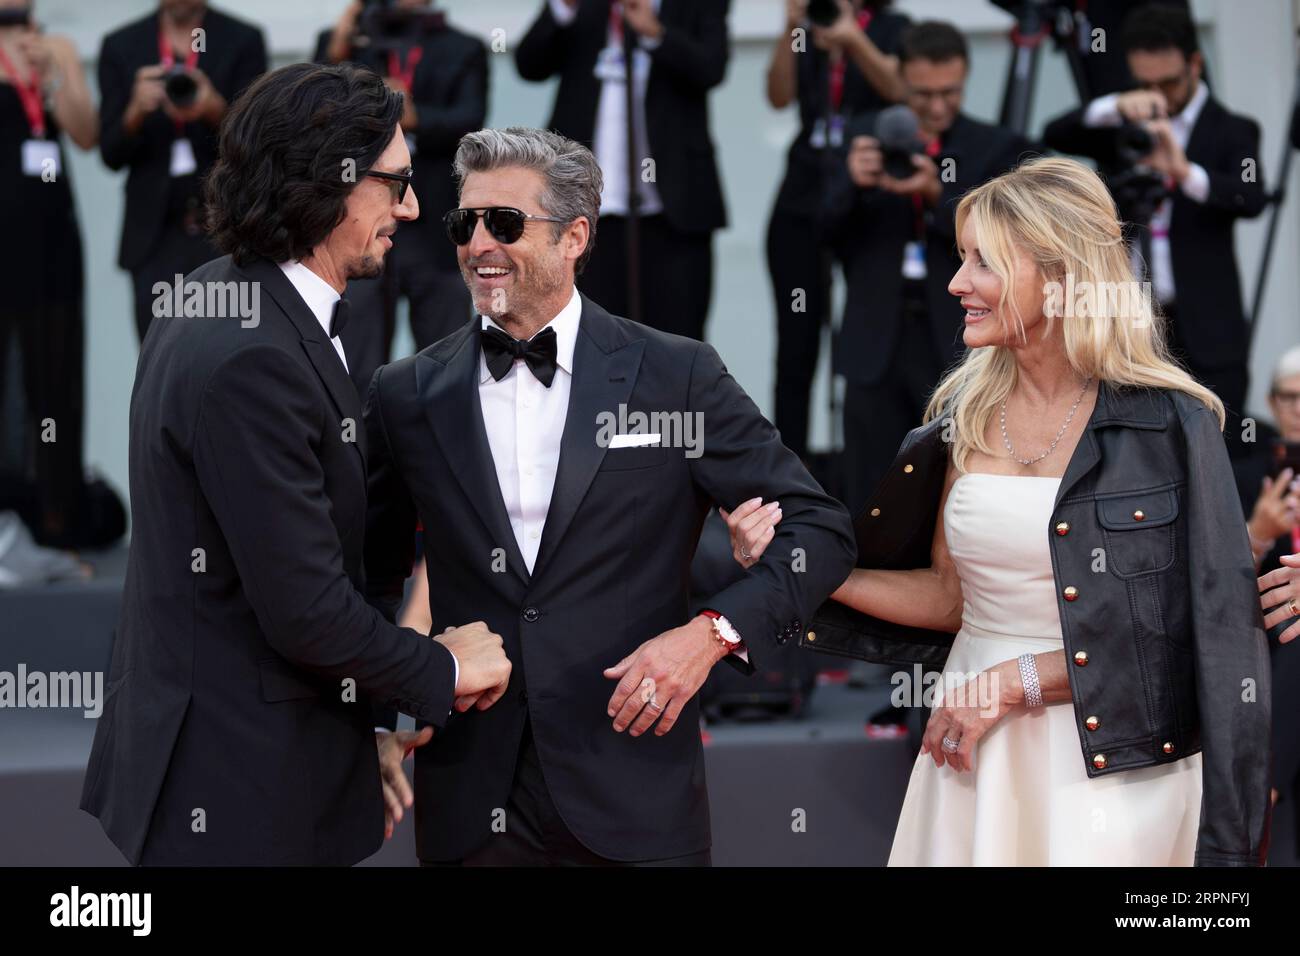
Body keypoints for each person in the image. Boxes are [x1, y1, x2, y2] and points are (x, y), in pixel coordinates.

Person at [733, 157, 1273, 866]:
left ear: (1059, 277)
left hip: (1118, 760)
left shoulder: (1172, 424)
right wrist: (800, 569)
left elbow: (1201, 630)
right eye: (960, 260)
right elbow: (951, 596)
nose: (956, 283)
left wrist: (1017, 682)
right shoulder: (962, 420)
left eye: (983, 263)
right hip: (971, 750)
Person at [362, 126, 856, 866]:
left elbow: (820, 530)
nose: (478, 245)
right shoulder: (406, 393)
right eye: (465, 223)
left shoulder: (673, 374)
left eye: (505, 223)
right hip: (472, 796)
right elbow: (368, 576)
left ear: (575, 237)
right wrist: (376, 717)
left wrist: (711, 636)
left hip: (635, 783)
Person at [80, 63, 512, 866]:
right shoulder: (255, 354)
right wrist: (441, 667)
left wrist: (374, 722)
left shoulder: (221, 295)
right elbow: (305, 608)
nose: (412, 209)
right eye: (396, 183)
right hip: (236, 788)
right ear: (327, 185)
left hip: (237, 761)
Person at [1042, 3, 1266, 460]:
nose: (1159, 94)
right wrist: (1115, 105)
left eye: (1169, 83)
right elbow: (1055, 132)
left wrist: (1185, 172)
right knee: (1138, 452)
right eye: (1146, 83)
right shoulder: (1124, 123)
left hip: (1208, 324)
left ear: (1195, 64)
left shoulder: (1233, 130)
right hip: (1133, 321)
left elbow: (1251, 195)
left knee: (1217, 449)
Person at [827, 19, 1033, 515]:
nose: (938, 107)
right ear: (899, 76)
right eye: (923, 95)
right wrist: (852, 184)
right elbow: (819, 234)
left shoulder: (997, 148)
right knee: (869, 489)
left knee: (958, 481)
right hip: (874, 337)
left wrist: (938, 196)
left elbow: (1018, 240)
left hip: (960, 338)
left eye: (950, 93)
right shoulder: (860, 136)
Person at [514, 0, 729, 340]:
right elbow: (529, 64)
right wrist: (562, 9)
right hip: (590, 211)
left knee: (677, 338)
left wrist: (656, 34)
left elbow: (712, 67)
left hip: (673, 206)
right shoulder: (586, 7)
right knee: (592, 337)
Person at [315, 0, 487, 395]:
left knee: (445, 358)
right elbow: (316, 119)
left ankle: (440, 449)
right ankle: (359, 449)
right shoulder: (348, 44)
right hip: (362, 221)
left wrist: (414, 117)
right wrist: (339, 43)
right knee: (356, 354)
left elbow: (469, 121)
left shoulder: (462, 47)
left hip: (436, 225)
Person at [764, 0, 910, 463]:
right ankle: (791, 470)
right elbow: (777, 96)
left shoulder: (892, 27)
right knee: (796, 342)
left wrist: (853, 40)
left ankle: (871, 461)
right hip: (805, 189)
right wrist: (791, 27)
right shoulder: (809, 30)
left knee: (871, 329)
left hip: (867, 195)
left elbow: (900, 89)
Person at [97, 0, 267, 341]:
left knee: (228, 347)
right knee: (158, 351)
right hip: (153, 235)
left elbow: (258, 145)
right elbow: (111, 154)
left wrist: (213, 108)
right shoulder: (122, 44)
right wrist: (135, 110)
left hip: (225, 229)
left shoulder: (242, 39)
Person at [0, 0, 96, 549]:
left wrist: (56, 76)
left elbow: (86, 135)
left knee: (54, 376)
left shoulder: (54, 48)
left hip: (50, 241)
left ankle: (56, 517)